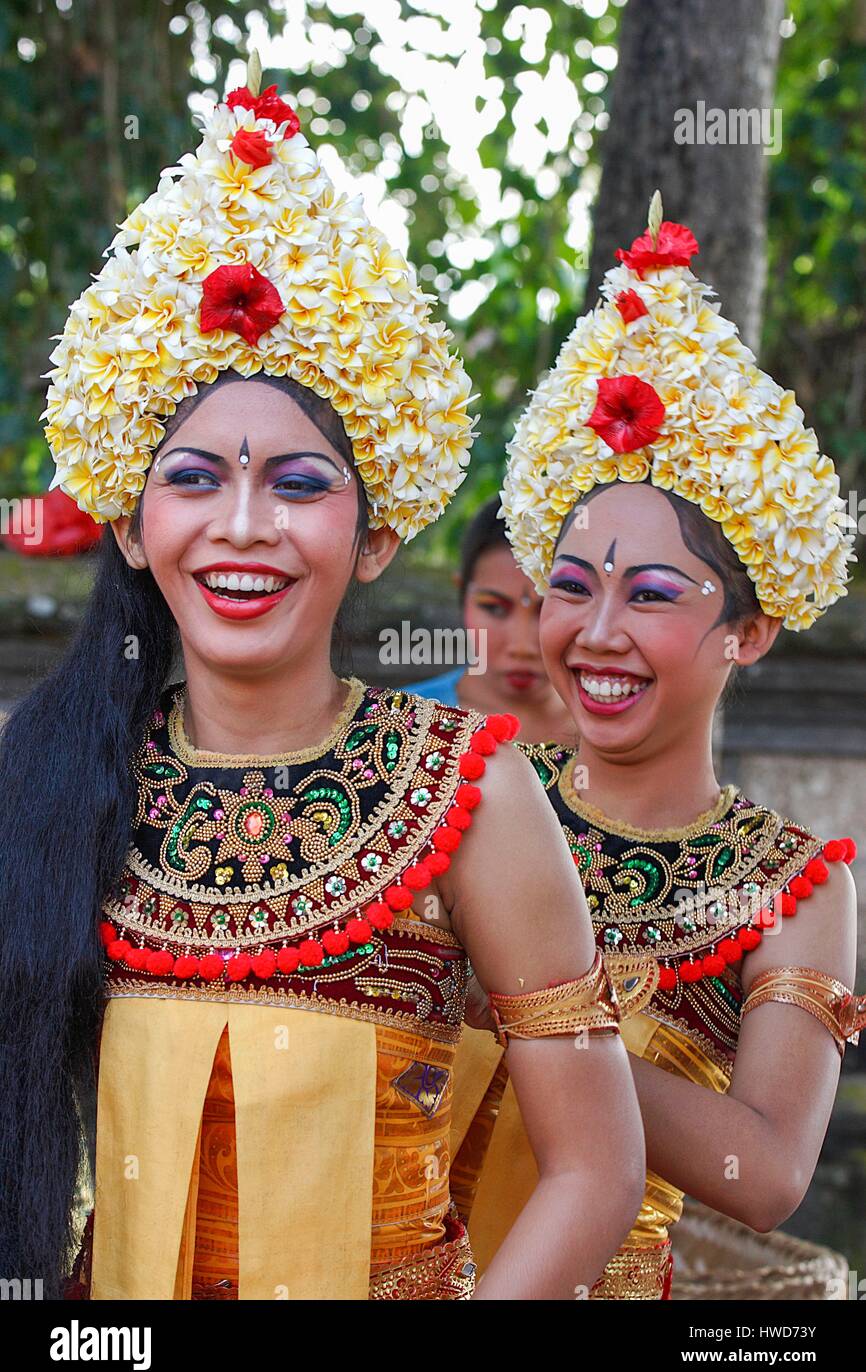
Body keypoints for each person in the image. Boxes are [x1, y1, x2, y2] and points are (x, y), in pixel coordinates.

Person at [0, 62, 646, 1302]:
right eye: (193, 480)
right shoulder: (52, 777)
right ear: (131, 528)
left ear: (375, 536)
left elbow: (593, 1164)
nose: (243, 525)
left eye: (297, 486)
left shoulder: (472, 787)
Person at [451, 198, 864, 1299]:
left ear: (749, 629)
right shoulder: (473, 795)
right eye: (572, 590)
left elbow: (766, 1168)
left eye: (648, 596)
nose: (593, 635)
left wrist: (533, 1027)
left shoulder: (790, 888)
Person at [406, 497, 577, 743]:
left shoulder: (624, 730)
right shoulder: (405, 723)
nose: (522, 647)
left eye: (547, 610)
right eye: (494, 608)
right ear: (462, 594)